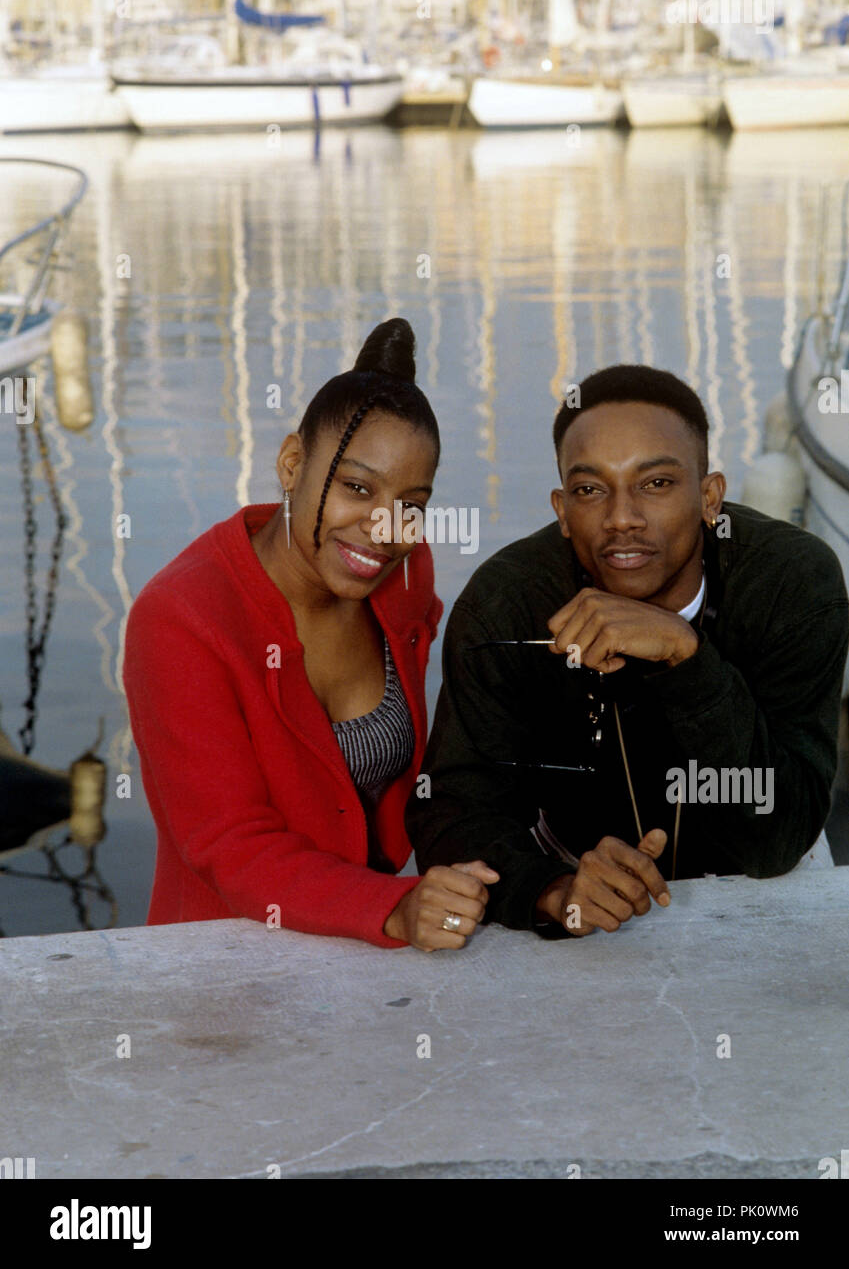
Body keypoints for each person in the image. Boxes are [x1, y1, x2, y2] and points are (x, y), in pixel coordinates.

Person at [407, 364, 849, 940]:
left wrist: (686, 655)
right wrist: (549, 890)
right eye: (591, 490)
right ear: (563, 511)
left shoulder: (792, 580)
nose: (622, 519)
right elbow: (456, 806)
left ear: (710, 497)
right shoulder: (508, 601)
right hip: (576, 879)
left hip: (772, 884)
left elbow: (777, 838)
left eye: (656, 483)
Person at [123, 319, 496, 950]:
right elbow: (231, 845)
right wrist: (397, 907)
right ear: (293, 463)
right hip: (220, 971)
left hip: (355, 960)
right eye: (357, 487)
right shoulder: (181, 619)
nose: (385, 527)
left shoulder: (402, 572)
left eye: (413, 503)